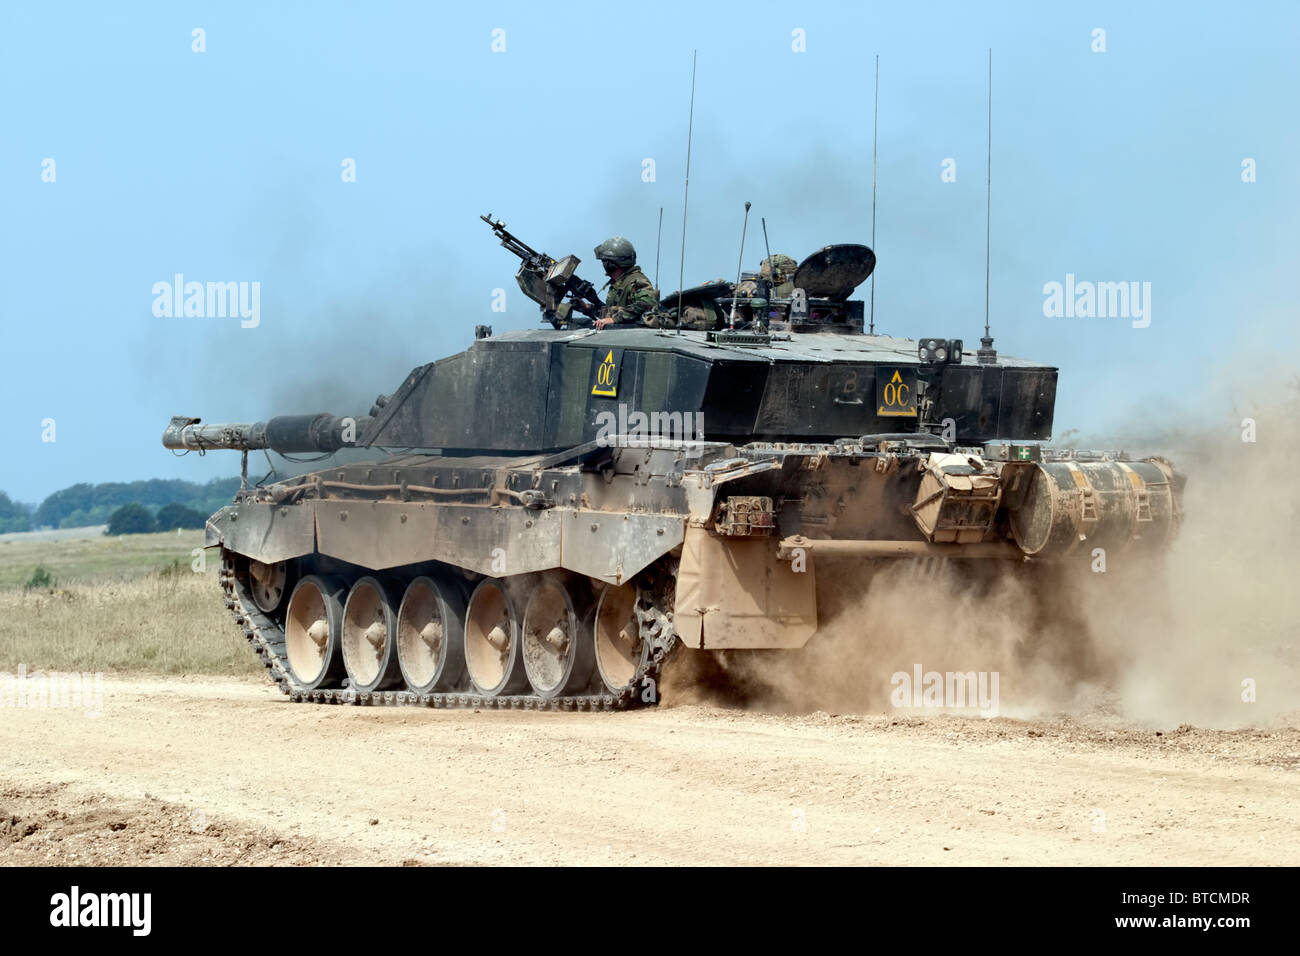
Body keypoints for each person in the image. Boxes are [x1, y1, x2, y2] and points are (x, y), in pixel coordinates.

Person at [572, 237, 661, 329]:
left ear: (610, 264)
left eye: (604, 261)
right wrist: (588, 308)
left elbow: (646, 304)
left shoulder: (636, 281)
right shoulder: (619, 282)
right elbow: (611, 315)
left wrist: (615, 319)